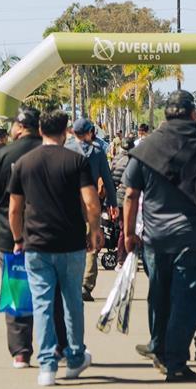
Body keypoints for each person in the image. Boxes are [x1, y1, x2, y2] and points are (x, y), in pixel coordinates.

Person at [123, 90, 196, 382]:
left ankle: (159, 347)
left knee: (158, 294)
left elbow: (131, 194)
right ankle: (175, 361)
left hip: (155, 237)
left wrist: (127, 233)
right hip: (192, 236)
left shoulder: (147, 147)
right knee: (186, 298)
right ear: (192, 114)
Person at [9, 109, 103, 386]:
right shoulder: (76, 161)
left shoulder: (24, 163)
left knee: (42, 304)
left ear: (40, 131)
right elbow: (91, 203)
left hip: (36, 244)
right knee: (72, 301)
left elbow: (15, 209)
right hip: (71, 243)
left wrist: (17, 239)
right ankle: (74, 358)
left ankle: (47, 367)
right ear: (66, 133)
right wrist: (94, 230)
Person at [0, 107, 67, 368]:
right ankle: (59, 345)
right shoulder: (56, 153)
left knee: (17, 292)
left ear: (19, 127)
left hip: (12, 234)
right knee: (54, 293)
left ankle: (21, 351)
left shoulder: (3, 155)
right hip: (51, 233)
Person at [65, 118, 118, 302]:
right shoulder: (97, 152)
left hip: (69, 203)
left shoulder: (67, 150)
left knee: (72, 242)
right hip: (91, 203)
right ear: (89, 132)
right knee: (92, 244)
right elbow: (108, 180)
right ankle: (86, 285)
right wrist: (112, 203)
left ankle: (72, 282)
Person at [111, 137, 135, 269]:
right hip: (130, 197)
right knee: (127, 229)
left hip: (118, 197)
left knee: (121, 228)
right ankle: (123, 258)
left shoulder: (116, 159)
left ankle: (121, 259)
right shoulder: (134, 160)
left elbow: (111, 177)